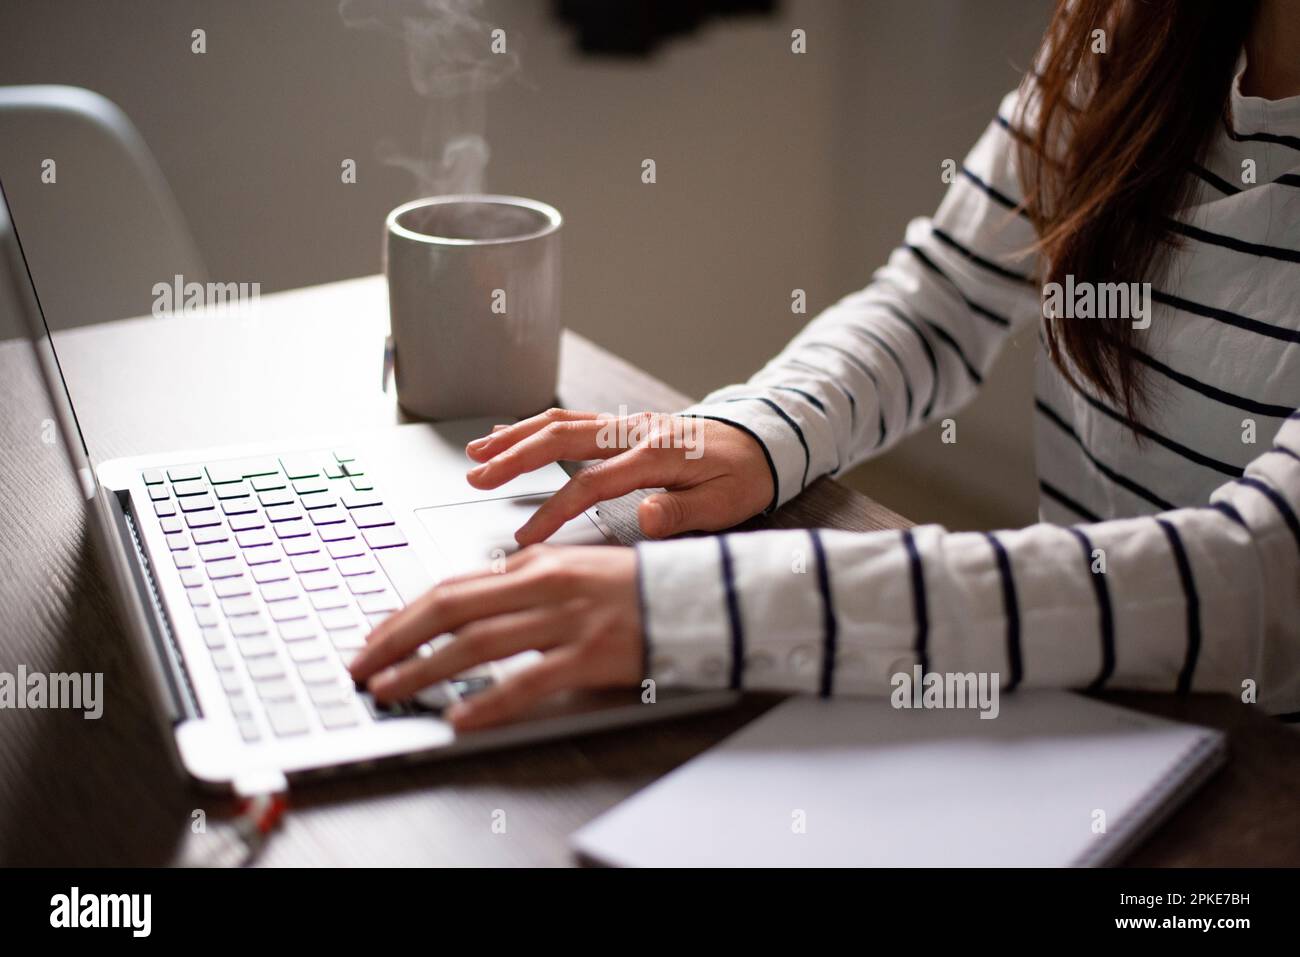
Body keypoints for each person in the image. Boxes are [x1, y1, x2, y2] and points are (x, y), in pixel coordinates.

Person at [351, 0, 1300, 731]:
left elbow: (1257, 577)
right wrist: (761, 428)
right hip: (1093, 718)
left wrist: (712, 609)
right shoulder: (1134, 28)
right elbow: (944, 296)